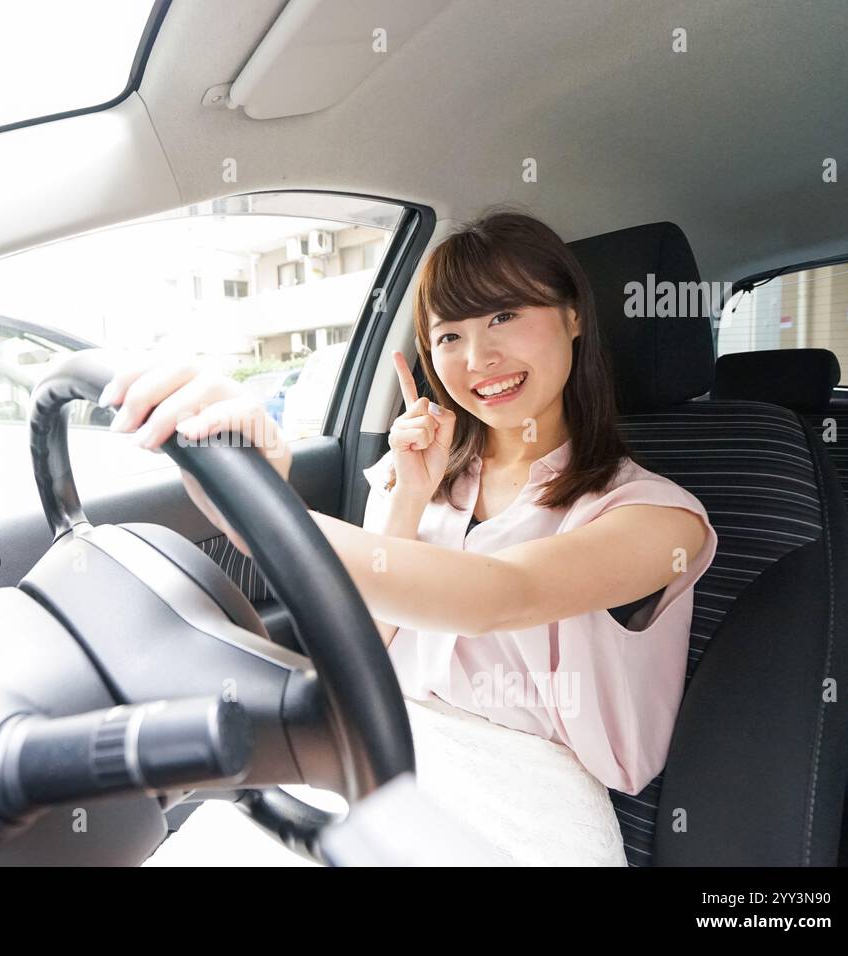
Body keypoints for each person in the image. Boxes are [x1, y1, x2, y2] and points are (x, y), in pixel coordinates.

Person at [106, 211, 718, 866]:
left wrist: (264, 508)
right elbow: (362, 650)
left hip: (524, 800)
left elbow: (497, 595)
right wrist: (408, 503)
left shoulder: (657, 517)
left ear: (573, 316)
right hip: (371, 746)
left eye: (504, 316)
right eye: (450, 334)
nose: (479, 358)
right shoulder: (413, 474)